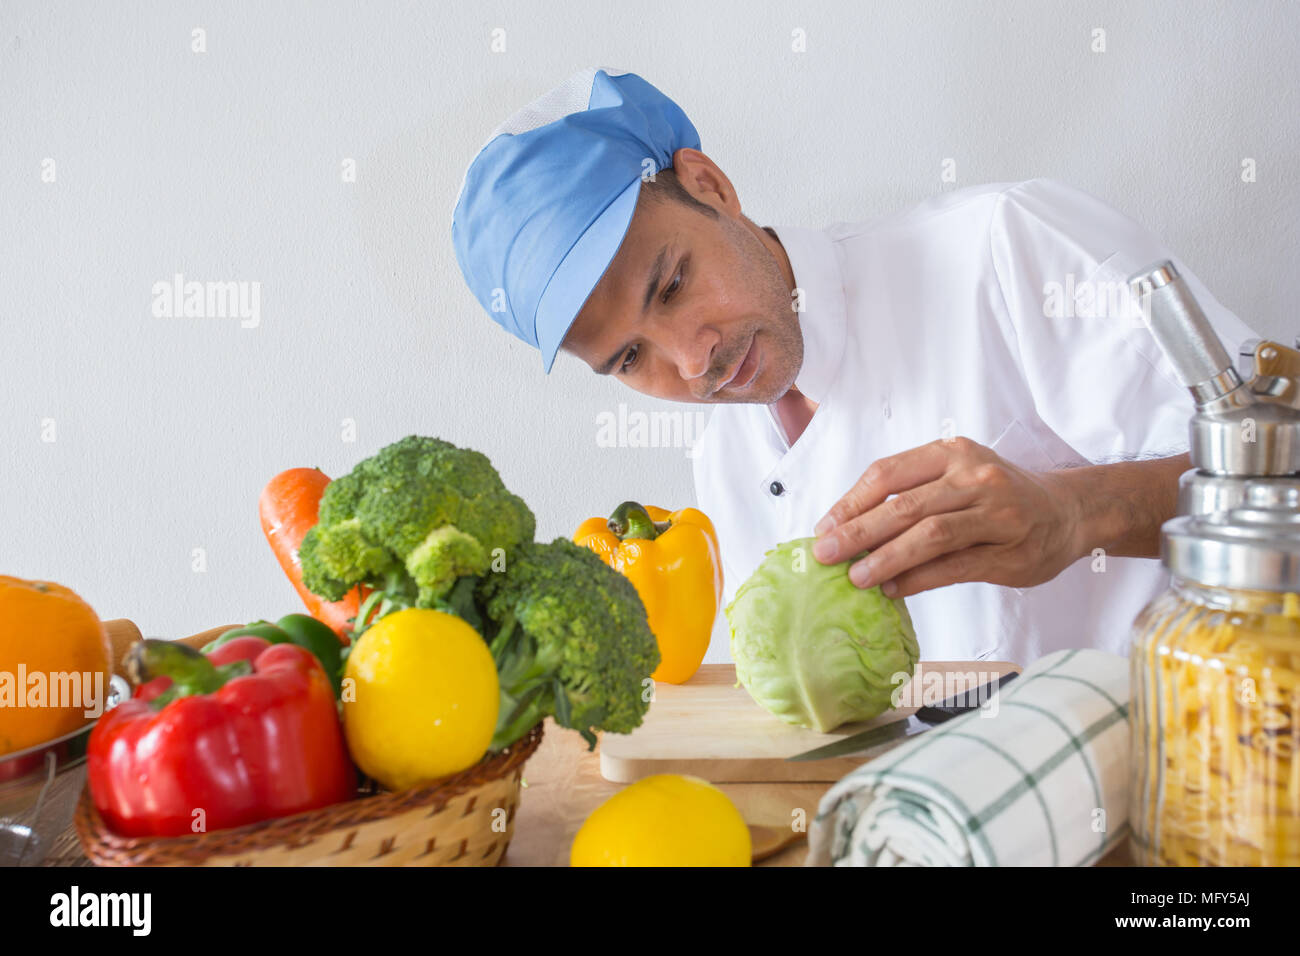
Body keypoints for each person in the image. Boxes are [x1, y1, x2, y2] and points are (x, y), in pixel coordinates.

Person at [452, 68, 1259, 663]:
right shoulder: (726, 461)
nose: (692, 363)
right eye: (631, 356)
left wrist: (1077, 513)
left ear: (710, 186)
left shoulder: (1004, 246)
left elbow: (1280, 468)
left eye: (672, 284)